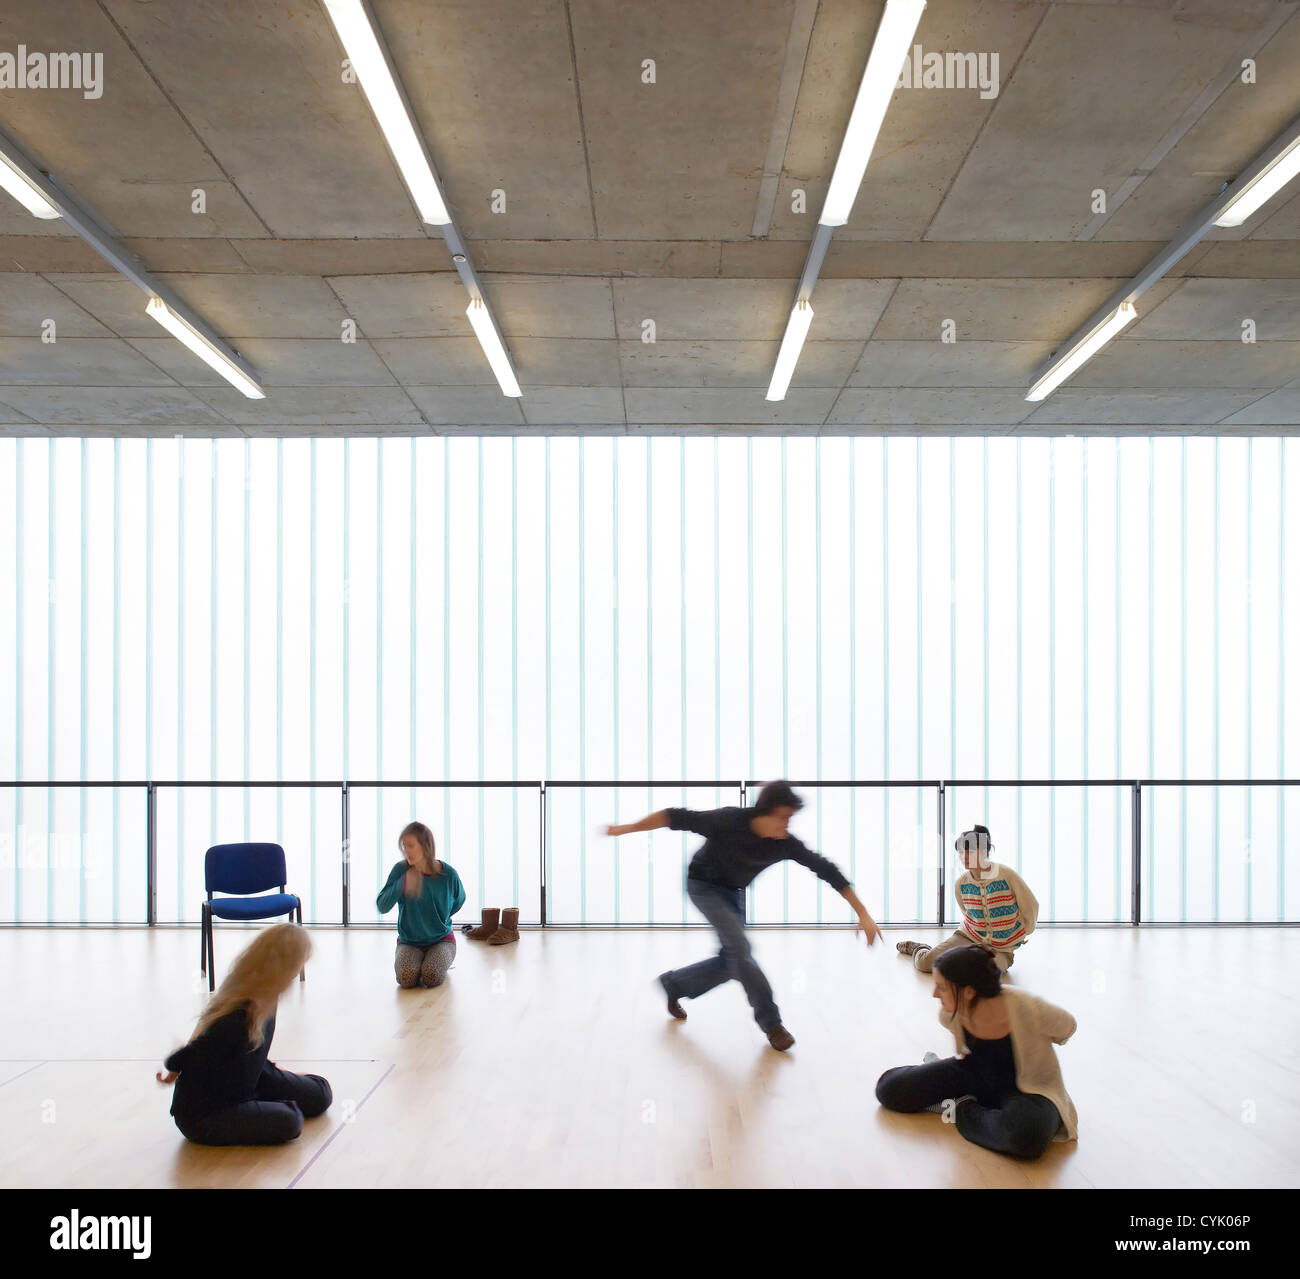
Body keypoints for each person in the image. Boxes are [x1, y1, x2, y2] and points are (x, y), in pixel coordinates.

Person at [605, 780, 881, 1051]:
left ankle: (674, 984)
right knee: (741, 949)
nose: (787, 825)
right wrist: (628, 828)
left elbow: (826, 869)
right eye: (783, 817)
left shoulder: (784, 843)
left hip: (734, 892)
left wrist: (863, 914)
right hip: (702, 885)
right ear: (765, 811)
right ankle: (773, 1026)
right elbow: (673, 817)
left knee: (733, 960)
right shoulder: (728, 821)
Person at [875, 944, 1077, 1160]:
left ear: (969, 991)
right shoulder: (949, 1014)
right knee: (889, 1089)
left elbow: (1067, 1027)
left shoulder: (1027, 1006)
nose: (934, 994)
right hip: (973, 1073)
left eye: (941, 987)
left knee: (1025, 1137)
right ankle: (973, 1105)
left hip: (1026, 1088)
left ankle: (962, 1107)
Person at [157, 922, 332, 1146]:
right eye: (297, 966)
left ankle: (260, 1101)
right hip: (208, 1111)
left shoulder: (268, 996)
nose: (298, 973)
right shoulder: (239, 1015)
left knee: (320, 1093)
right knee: (291, 1120)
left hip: (248, 1077)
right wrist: (173, 1070)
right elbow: (188, 1054)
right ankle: (259, 1105)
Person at [896, 824, 1038, 973]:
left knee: (983, 975)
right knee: (925, 963)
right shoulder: (961, 884)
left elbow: (1031, 906)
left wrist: (1023, 932)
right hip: (968, 938)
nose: (964, 857)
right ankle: (919, 948)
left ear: (983, 852)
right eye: (961, 852)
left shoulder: (1006, 875)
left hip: (1001, 949)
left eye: (969, 852)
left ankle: (964, 959)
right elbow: (968, 913)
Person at [376, 821, 466, 988]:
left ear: (425, 846)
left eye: (410, 845)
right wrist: (402, 883)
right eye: (404, 846)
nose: (406, 851)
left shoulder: (448, 874)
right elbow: (382, 905)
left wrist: (441, 919)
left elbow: (459, 900)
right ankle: (419, 962)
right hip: (409, 942)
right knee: (406, 978)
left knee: (431, 976)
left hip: (442, 941)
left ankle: (434, 961)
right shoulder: (400, 871)